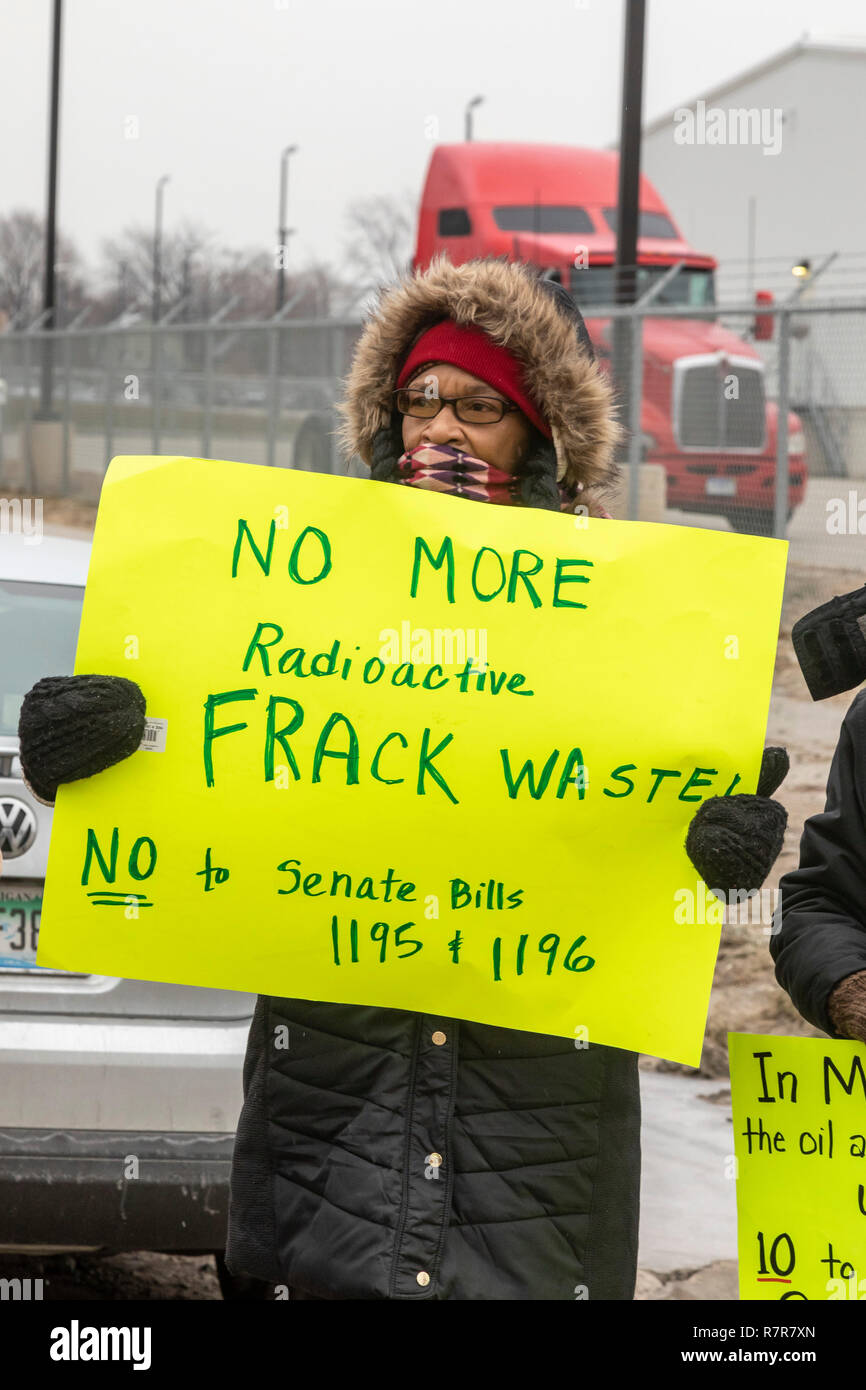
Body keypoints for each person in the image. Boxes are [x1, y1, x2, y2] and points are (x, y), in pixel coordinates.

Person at [18, 256, 788, 1300]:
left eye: (480, 405)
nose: (440, 428)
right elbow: (202, 790)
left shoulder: (640, 633)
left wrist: (718, 852)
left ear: (542, 434)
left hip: (532, 1186)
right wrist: (92, 758)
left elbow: (672, 895)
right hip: (326, 1154)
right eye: (420, 397)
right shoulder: (284, 601)